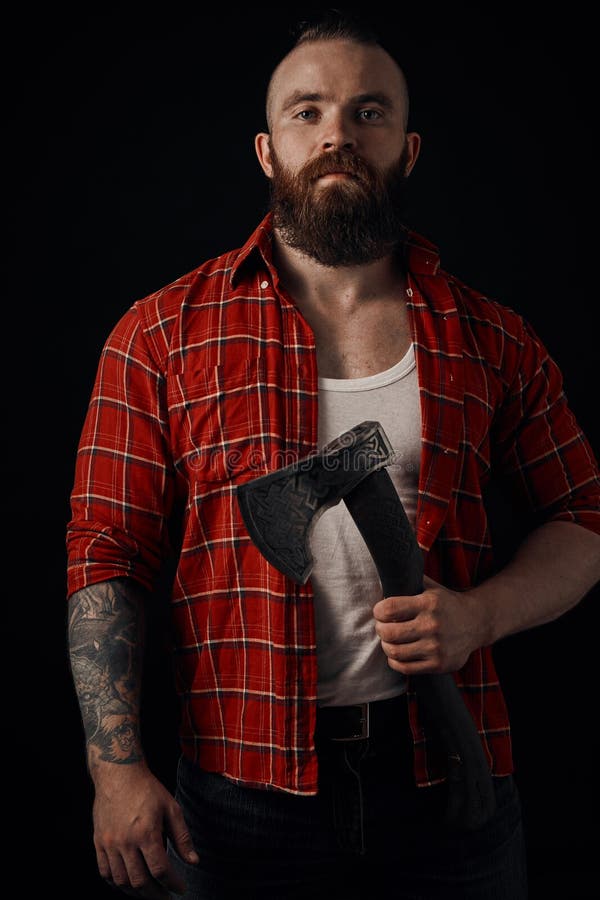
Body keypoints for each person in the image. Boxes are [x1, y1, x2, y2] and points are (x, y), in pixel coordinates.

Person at [66, 10, 600, 900]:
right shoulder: (159, 334)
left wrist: (482, 615)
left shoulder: (493, 338)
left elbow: (585, 519)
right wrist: (115, 769)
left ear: (410, 149)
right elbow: (106, 552)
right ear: (268, 151)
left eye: (368, 112)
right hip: (239, 797)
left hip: (453, 784)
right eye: (307, 112)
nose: (338, 136)